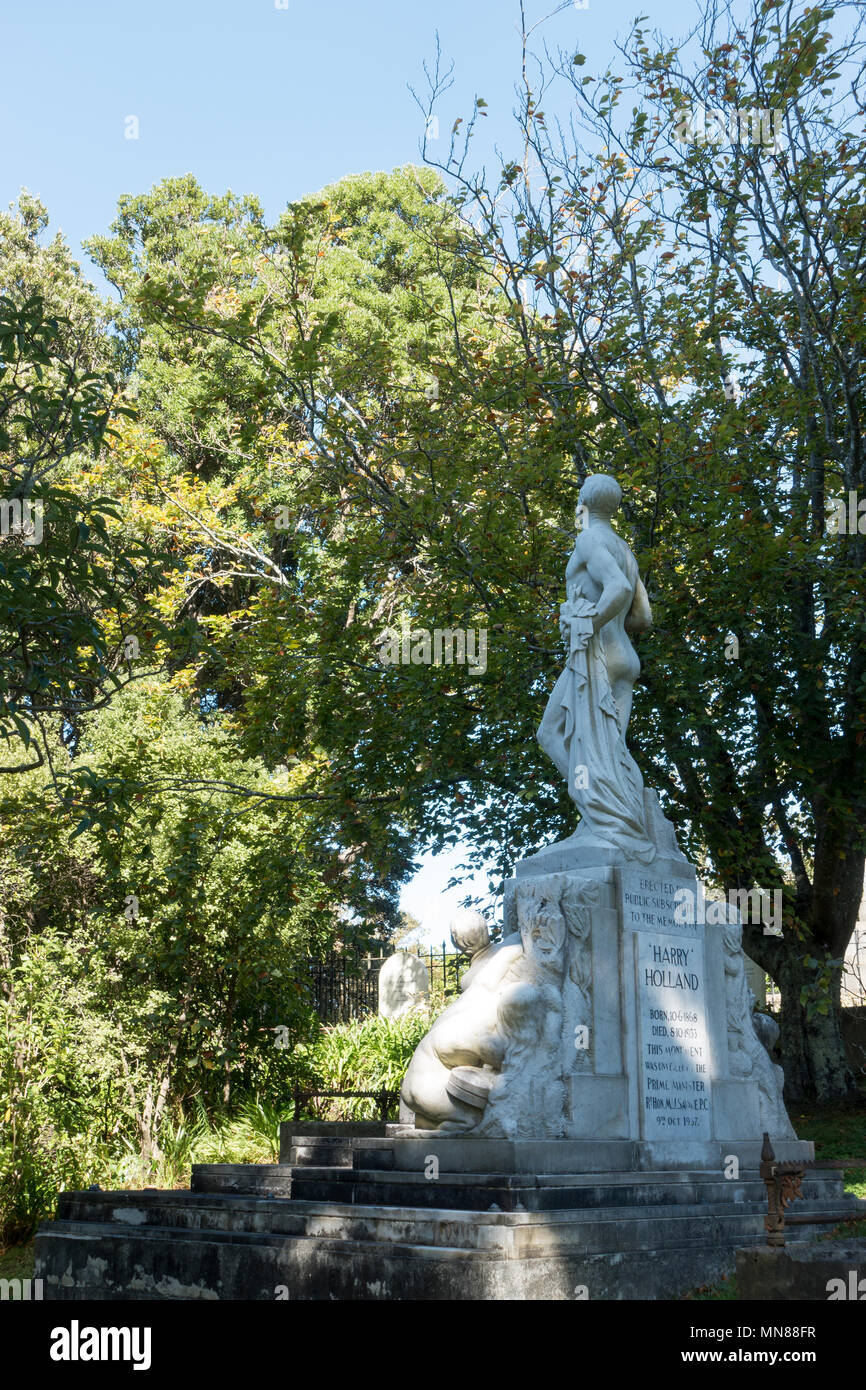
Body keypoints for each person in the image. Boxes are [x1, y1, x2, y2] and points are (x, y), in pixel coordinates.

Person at [536, 473, 656, 863]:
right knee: (612, 750)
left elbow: (618, 588)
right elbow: (643, 617)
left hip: (595, 659)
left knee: (551, 733)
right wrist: (610, 622)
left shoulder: (589, 539)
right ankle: (618, 819)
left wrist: (585, 622)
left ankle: (598, 818)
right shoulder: (626, 548)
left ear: (583, 506)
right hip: (625, 659)